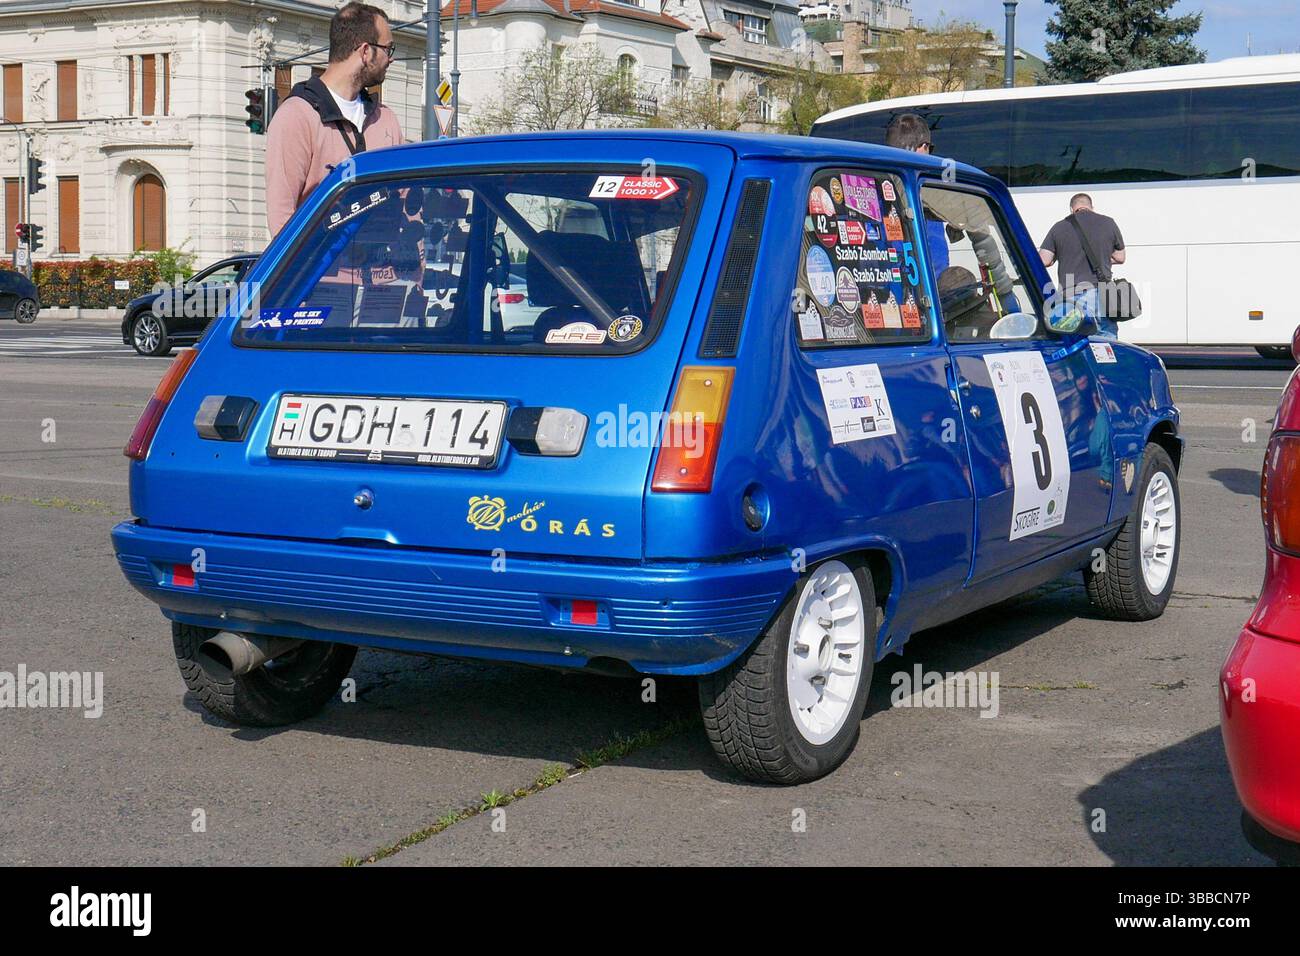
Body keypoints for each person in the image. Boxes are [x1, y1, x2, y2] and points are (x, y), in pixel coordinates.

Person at [265, 2, 404, 236]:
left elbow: (406, 202)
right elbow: (282, 219)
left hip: (386, 271)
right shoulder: (297, 116)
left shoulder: (386, 119)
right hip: (324, 273)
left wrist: (414, 269)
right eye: (388, 49)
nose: (390, 59)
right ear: (366, 52)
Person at [1039, 193, 1126, 337]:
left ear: (1072, 209)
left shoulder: (1059, 227)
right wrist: (1103, 258)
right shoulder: (1108, 223)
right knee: (1107, 338)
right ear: (1091, 207)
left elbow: (1044, 260)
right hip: (1102, 294)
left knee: (1078, 342)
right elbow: (1120, 257)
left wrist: (1059, 256)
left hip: (1072, 296)